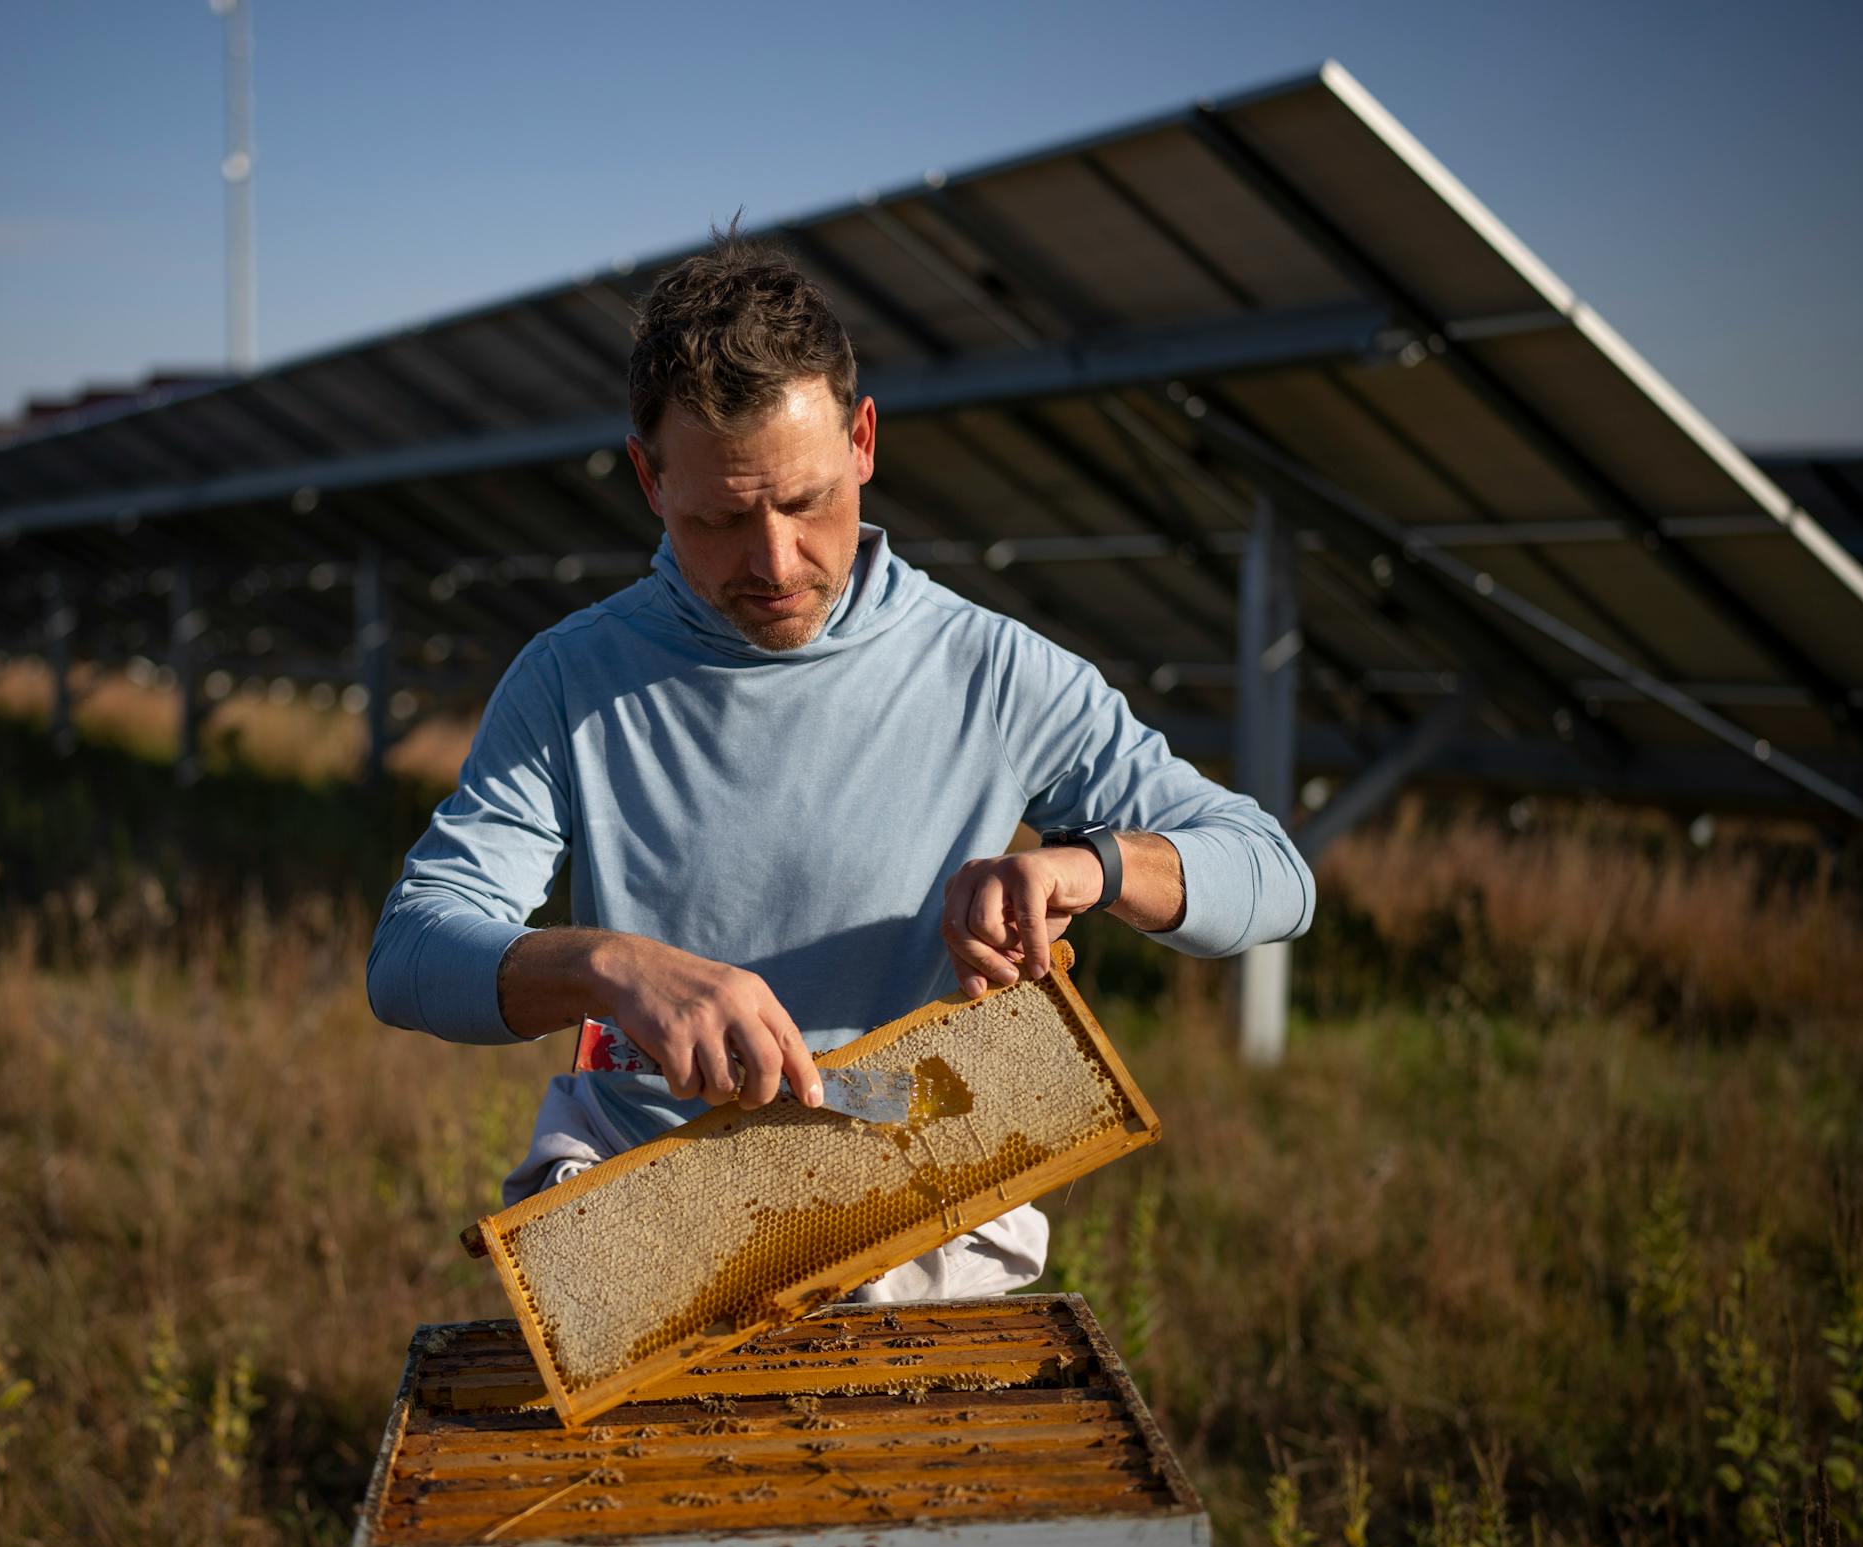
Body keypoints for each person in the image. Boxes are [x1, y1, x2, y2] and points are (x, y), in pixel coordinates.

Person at [367, 226, 1313, 1298]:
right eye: (721, 519)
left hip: (916, 1225)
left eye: (807, 501)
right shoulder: (569, 679)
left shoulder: (993, 671)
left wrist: (1087, 866)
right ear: (648, 480)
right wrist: (609, 968)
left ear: (862, 441)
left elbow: (1272, 873)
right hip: (644, 1236)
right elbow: (410, 953)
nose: (775, 561)